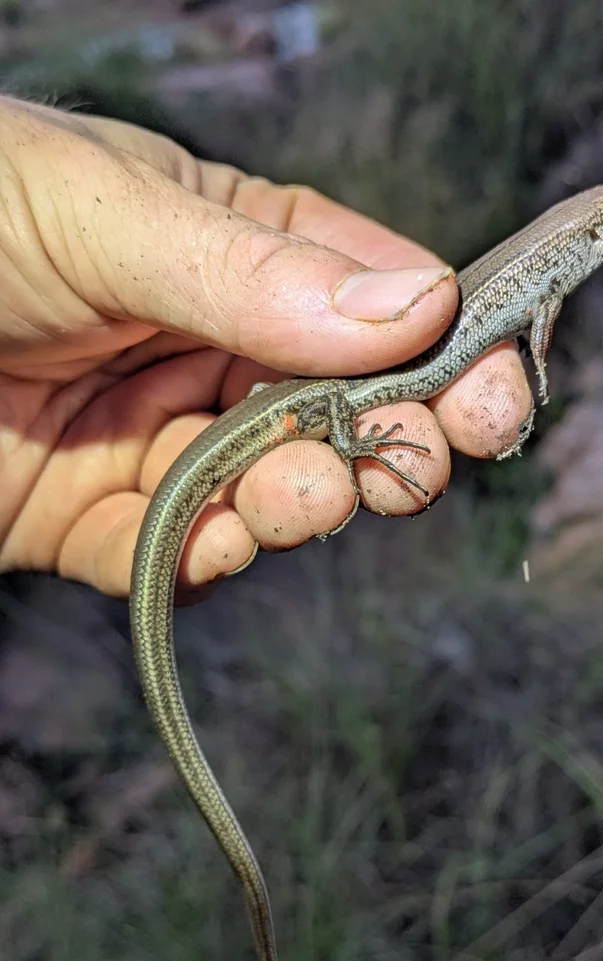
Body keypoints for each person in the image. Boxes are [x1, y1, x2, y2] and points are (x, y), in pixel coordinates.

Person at [0, 97, 532, 602]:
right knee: (317, 451)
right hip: (281, 410)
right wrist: (351, 444)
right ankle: (347, 445)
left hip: (260, 409)